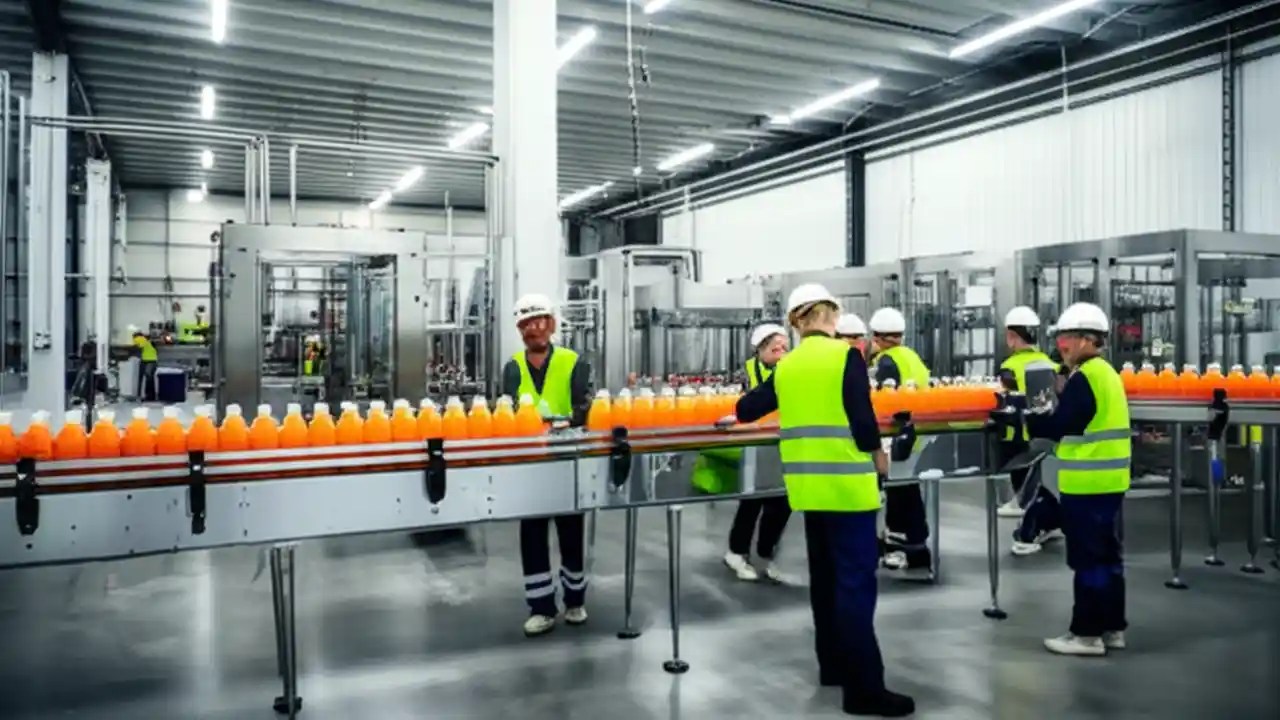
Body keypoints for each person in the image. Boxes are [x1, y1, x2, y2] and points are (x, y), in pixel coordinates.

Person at [737, 283, 914, 718]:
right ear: (830, 315)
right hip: (848, 490)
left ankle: (833, 666)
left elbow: (746, 409)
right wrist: (880, 459)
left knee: (827, 583)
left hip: (808, 491)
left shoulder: (788, 365)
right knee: (855, 586)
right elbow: (860, 415)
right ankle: (864, 690)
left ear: (795, 322)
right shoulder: (844, 356)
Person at [1026, 302, 1130, 657]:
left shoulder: (1086, 377)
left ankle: (1085, 634)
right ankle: (1113, 627)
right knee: (1107, 557)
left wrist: (1025, 422)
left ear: (1088, 340)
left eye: (1067, 340)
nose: (1061, 347)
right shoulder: (1107, 373)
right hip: (1110, 481)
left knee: (1087, 559)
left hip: (1087, 484)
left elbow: (1064, 424)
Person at [500, 293, 594, 637]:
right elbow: (505, 411)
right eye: (526, 324)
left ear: (552, 324)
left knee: (572, 531)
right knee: (533, 534)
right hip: (529, 463)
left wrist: (568, 422)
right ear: (519, 330)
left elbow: (587, 406)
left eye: (540, 321)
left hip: (568, 458)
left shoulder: (573, 361)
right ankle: (541, 608)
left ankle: (575, 600)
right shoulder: (513, 366)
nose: (534, 329)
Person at [692, 323, 792, 582]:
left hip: (781, 443)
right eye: (775, 348)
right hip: (752, 444)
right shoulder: (744, 374)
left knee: (781, 502)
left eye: (785, 347)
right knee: (751, 500)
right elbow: (732, 406)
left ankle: (766, 555)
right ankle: (737, 553)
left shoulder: (792, 371)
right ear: (759, 350)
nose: (782, 353)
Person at [995, 307, 1066, 555]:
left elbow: (1004, 403)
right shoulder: (1050, 364)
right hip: (1050, 434)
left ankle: (1030, 516)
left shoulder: (1009, 367)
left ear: (1013, 336)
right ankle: (1044, 518)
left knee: (1025, 481)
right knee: (1042, 481)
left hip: (1020, 435)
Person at [867, 307, 931, 575]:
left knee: (898, 493)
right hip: (920, 433)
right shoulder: (913, 357)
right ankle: (918, 548)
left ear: (877, 337)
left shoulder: (887, 361)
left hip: (898, 436)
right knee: (909, 490)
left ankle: (899, 548)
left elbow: (885, 401)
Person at [130, 325, 158, 402]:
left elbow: (138, 348)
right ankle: (150, 396)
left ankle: (143, 396)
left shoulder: (139, 339)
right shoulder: (147, 341)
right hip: (152, 361)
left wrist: (130, 353)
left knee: (144, 378)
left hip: (148, 361)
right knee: (149, 379)